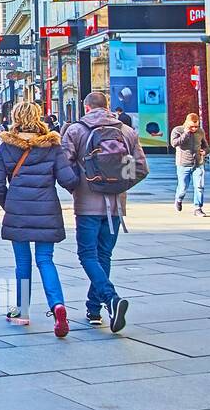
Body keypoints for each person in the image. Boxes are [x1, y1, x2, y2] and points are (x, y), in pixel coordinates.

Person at [0, 101, 80, 337]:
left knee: (22, 263)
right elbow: (68, 180)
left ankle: (23, 311)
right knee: (45, 260)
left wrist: (8, 203)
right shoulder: (51, 145)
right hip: (46, 209)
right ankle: (58, 305)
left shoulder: (7, 145)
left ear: (15, 117)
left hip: (18, 209)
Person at [61, 91, 148, 333]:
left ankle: (111, 299)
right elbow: (140, 167)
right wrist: (120, 183)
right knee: (104, 256)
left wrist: (76, 187)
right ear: (107, 106)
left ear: (86, 108)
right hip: (116, 206)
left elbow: (64, 166)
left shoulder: (77, 130)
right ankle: (94, 309)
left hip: (87, 205)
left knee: (87, 255)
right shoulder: (126, 131)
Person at [170, 112, 209, 216]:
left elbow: (206, 145)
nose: (194, 129)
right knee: (183, 187)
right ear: (186, 123)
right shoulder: (177, 130)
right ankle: (179, 199)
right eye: (192, 127)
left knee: (199, 186)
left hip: (198, 163)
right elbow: (174, 143)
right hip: (183, 163)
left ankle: (198, 208)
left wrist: (205, 151)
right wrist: (186, 134)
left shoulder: (200, 132)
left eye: (196, 126)